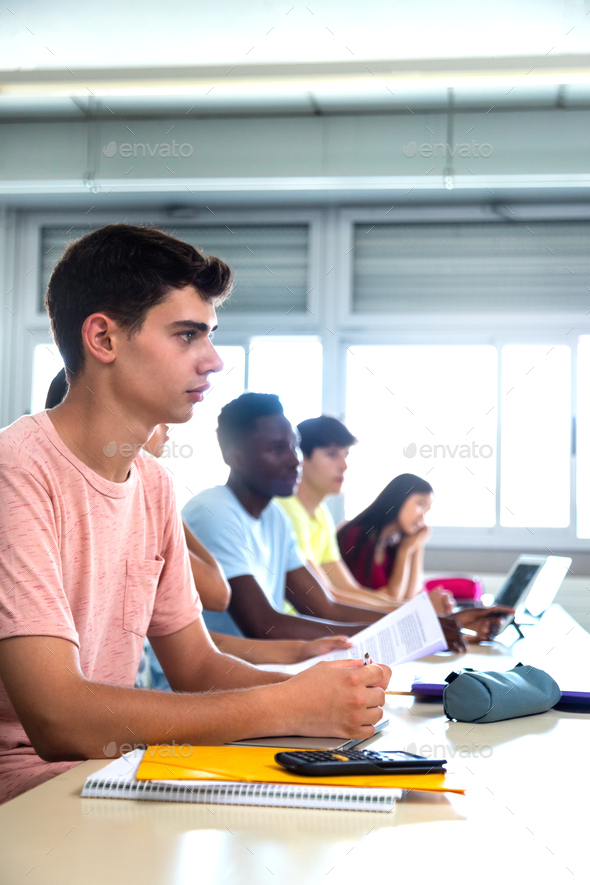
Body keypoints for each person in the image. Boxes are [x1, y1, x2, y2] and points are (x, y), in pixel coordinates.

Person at [0, 224, 391, 804]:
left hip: (114, 774)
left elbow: (198, 667)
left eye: (209, 336)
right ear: (103, 338)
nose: (212, 361)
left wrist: (322, 691)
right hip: (28, 793)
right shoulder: (17, 470)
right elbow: (61, 722)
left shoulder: (154, 482)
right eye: (187, 336)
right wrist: (282, 703)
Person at [182, 394, 510, 646]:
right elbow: (264, 624)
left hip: (265, 668)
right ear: (234, 457)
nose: (294, 461)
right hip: (205, 688)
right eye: (277, 449)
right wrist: (423, 629)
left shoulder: (274, 518)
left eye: (294, 447)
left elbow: (326, 606)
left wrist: (434, 623)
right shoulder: (214, 512)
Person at [277, 416, 452, 615]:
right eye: (332, 454)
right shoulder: (287, 509)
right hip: (293, 628)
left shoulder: (321, 515)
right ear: (301, 458)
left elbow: (348, 589)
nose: (344, 465)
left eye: (346, 454)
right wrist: (419, 611)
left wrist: (418, 609)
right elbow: (327, 596)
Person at [337, 474, 436, 601]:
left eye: (426, 511)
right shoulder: (357, 536)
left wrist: (417, 546)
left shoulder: (392, 543)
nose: (422, 519)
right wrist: (404, 551)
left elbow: (410, 597)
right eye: (420, 505)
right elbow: (392, 600)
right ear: (400, 497)